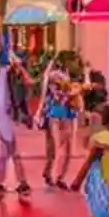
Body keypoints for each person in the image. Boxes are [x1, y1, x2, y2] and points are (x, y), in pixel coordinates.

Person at [0, 47, 32, 198]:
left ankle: (1, 182)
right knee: (11, 150)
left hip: (12, 117)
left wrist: (18, 67)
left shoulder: (14, 78)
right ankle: (21, 182)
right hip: (2, 117)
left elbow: (28, 83)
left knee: (6, 151)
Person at [37, 55, 79, 189]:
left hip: (68, 114)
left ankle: (58, 176)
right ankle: (52, 174)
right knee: (56, 147)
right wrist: (39, 112)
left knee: (67, 148)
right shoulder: (54, 76)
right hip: (55, 113)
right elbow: (47, 91)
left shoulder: (72, 78)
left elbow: (74, 92)